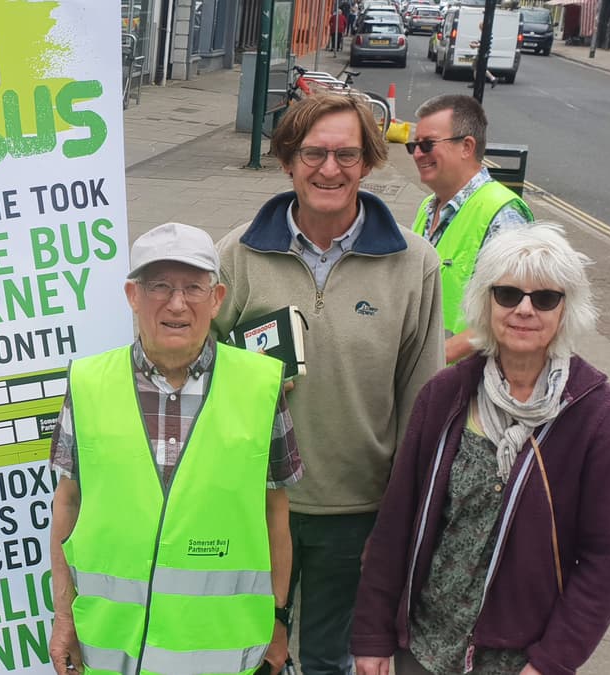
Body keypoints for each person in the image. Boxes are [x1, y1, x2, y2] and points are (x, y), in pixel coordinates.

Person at [213, 93, 445, 675]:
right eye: (312, 153)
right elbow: (196, 367)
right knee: (250, 655)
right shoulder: (235, 255)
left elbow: (423, 399)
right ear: (288, 161)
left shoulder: (414, 264)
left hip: (357, 509)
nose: (329, 169)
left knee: (330, 660)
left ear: (368, 163)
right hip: (254, 503)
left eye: (346, 154)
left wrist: (403, 516)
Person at [351, 223, 610, 675]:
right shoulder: (445, 394)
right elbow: (396, 521)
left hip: (522, 660)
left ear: (565, 309)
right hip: (423, 646)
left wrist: (552, 662)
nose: (524, 309)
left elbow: (604, 561)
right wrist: (372, 634)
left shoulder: (597, 416)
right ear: (486, 300)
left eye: (544, 298)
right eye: (508, 294)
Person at [48, 222, 303, 674]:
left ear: (218, 298)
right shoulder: (87, 384)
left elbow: (275, 514)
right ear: (132, 295)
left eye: (193, 287)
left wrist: (279, 619)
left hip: (225, 653)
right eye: (159, 286)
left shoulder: (261, 386)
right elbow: (67, 505)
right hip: (114, 652)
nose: (177, 303)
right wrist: (63, 617)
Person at [409, 94, 532, 363]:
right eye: (413, 145)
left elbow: (517, 313)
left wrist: (439, 356)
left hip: (468, 386)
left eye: (427, 144)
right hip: (428, 381)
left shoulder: (502, 214)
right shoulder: (427, 208)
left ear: (466, 146)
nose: (418, 154)